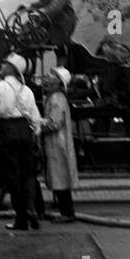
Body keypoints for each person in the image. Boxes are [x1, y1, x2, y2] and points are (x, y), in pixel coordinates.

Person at [0, 52, 42, 232]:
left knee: (13, 175)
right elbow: (36, 119)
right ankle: (31, 209)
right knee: (28, 173)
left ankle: (21, 219)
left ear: (12, 69)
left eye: (4, 64)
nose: (1, 66)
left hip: (7, 130)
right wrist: (36, 137)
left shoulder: (0, 87)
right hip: (25, 130)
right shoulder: (27, 90)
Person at [40, 67, 79, 221]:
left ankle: (67, 214)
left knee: (60, 179)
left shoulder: (56, 99)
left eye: (51, 76)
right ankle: (66, 212)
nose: (46, 78)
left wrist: (37, 123)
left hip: (57, 144)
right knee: (59, 178)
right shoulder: (55, 97)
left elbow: (54, 123)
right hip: (56, 144)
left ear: (58, 83)